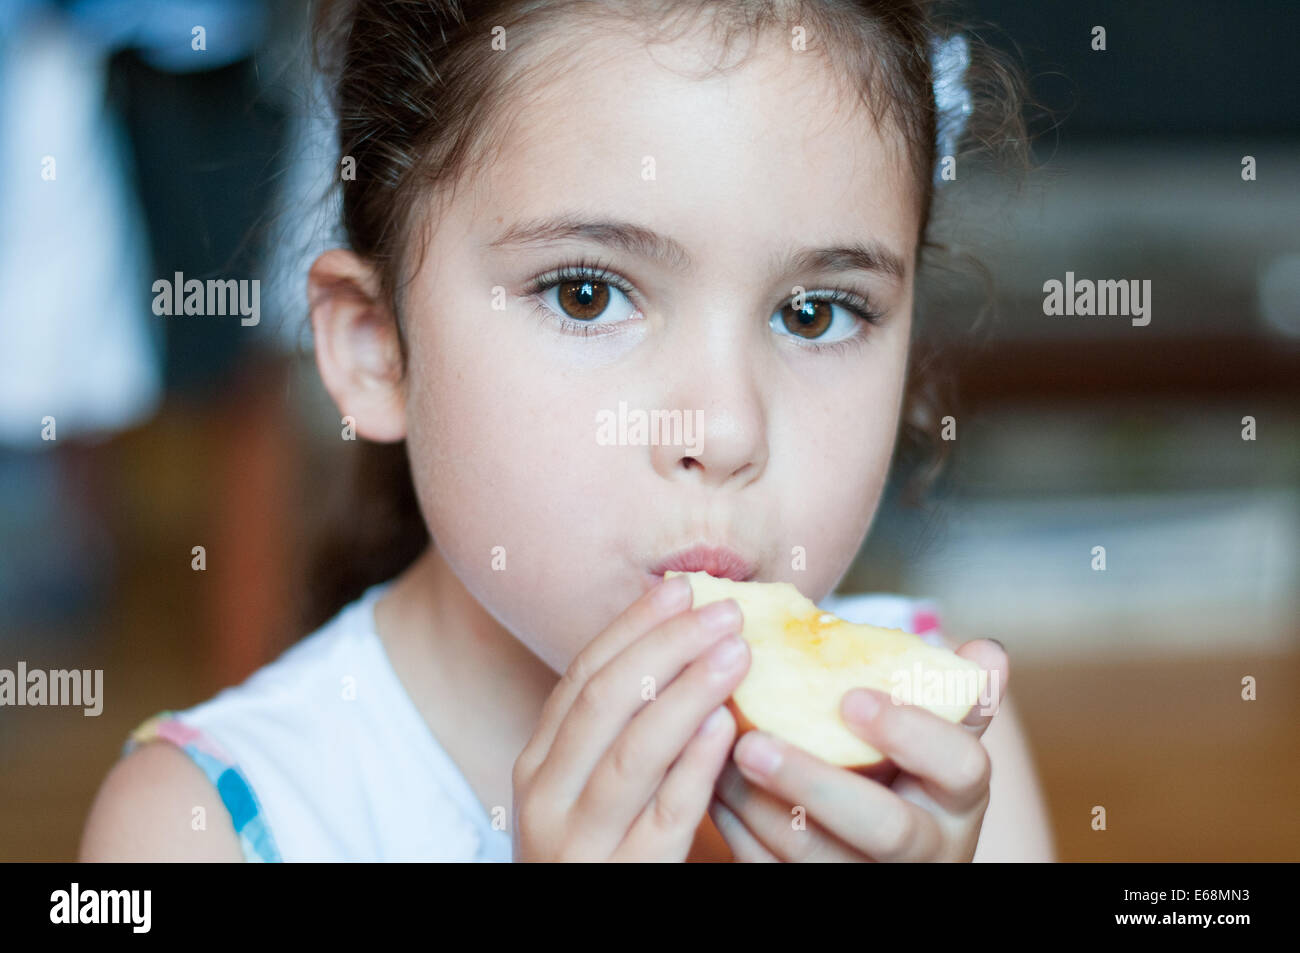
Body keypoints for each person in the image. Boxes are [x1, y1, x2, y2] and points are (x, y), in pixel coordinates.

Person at [81, 0, 1055, 862]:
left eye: (816, 312)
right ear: (377, 348)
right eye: (586, 294)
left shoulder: (931, 755)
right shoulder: (206, 823)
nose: (722, 429)